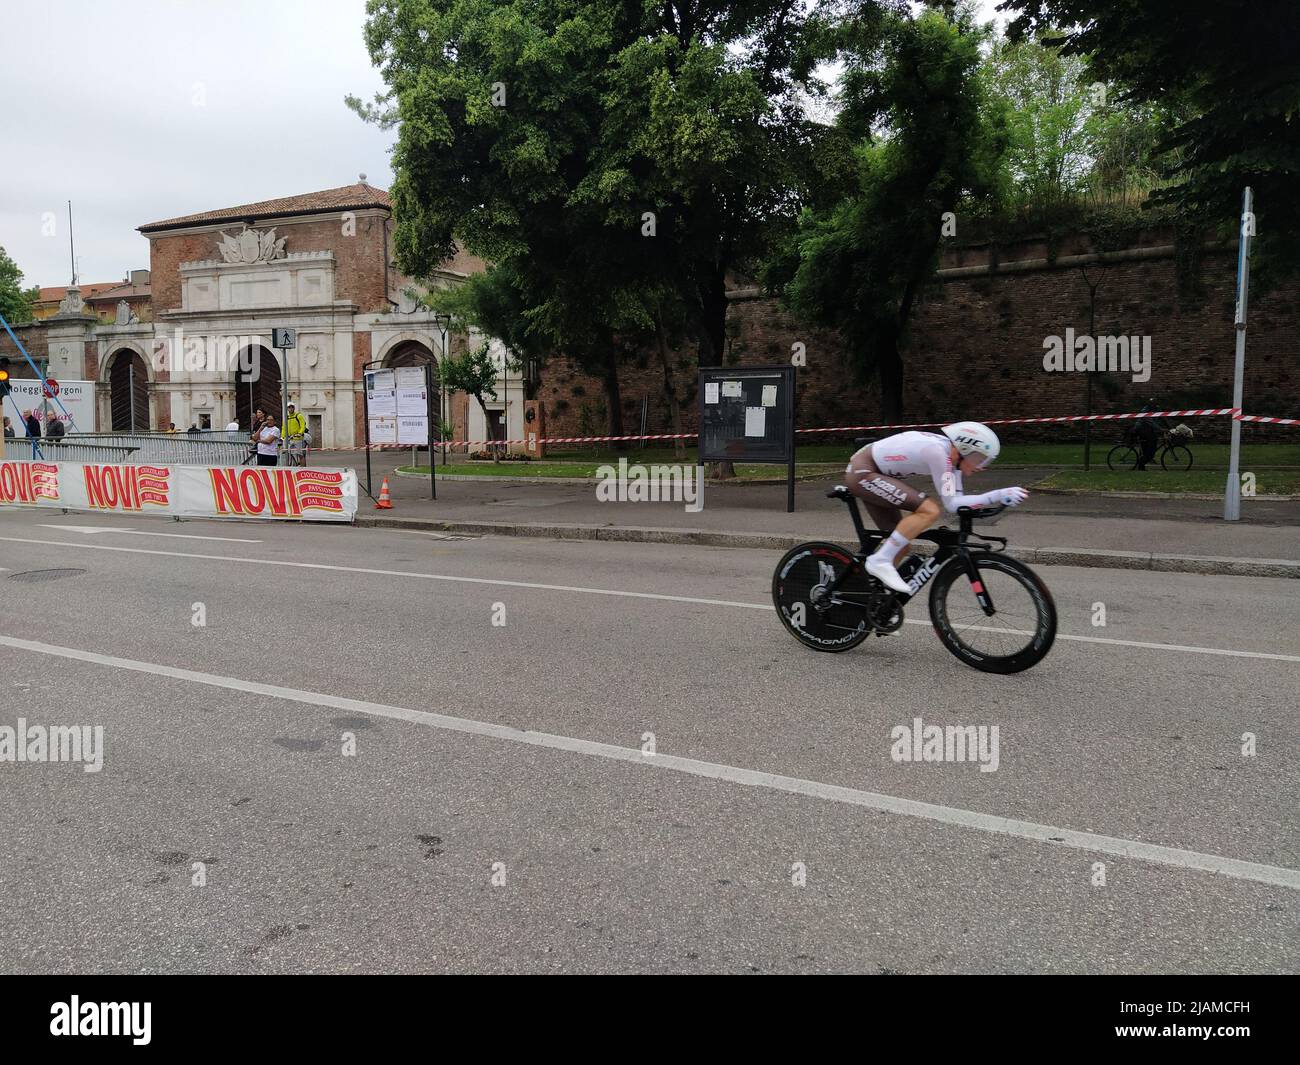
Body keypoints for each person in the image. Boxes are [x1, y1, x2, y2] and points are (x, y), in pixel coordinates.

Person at [845, 421, 1029, 594]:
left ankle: (868, 598)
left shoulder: (951, 460)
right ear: (965, 448)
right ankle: (880, 560)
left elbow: (956, 503)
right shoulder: (937, 452)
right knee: (929, 510)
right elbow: (950, 504)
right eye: (980, 459)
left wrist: (999, 499)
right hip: (864, 472)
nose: (981, 467)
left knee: (900, 545)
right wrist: (997, 495)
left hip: (873, 473)